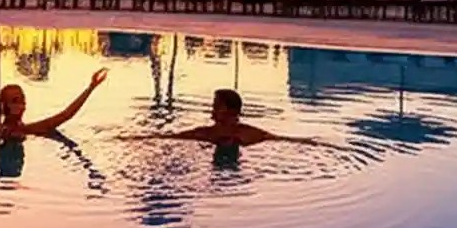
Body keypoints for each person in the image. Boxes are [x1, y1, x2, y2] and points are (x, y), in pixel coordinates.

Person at [127, 89, 325, 147]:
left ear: (231, 111)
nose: (211, 111)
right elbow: (279, 139)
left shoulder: (208, 134)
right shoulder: (250, 134)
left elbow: (170, 138)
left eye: (216, 106)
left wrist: (133, 139)